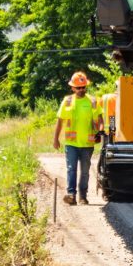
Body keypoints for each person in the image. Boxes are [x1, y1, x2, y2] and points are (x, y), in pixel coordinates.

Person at [53, 71, 103, 205]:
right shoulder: (67, 101)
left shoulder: (92, 101)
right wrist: (55, 138)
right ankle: (71, 195)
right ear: (72, 88)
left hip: (87, 144)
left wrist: (101, 131)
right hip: (71, 143)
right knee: (71, 168)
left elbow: (100, 119)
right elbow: (60, 121)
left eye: (83, 87)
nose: (81, 90)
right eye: (78, 87)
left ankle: (83, 196)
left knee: (85, 171)